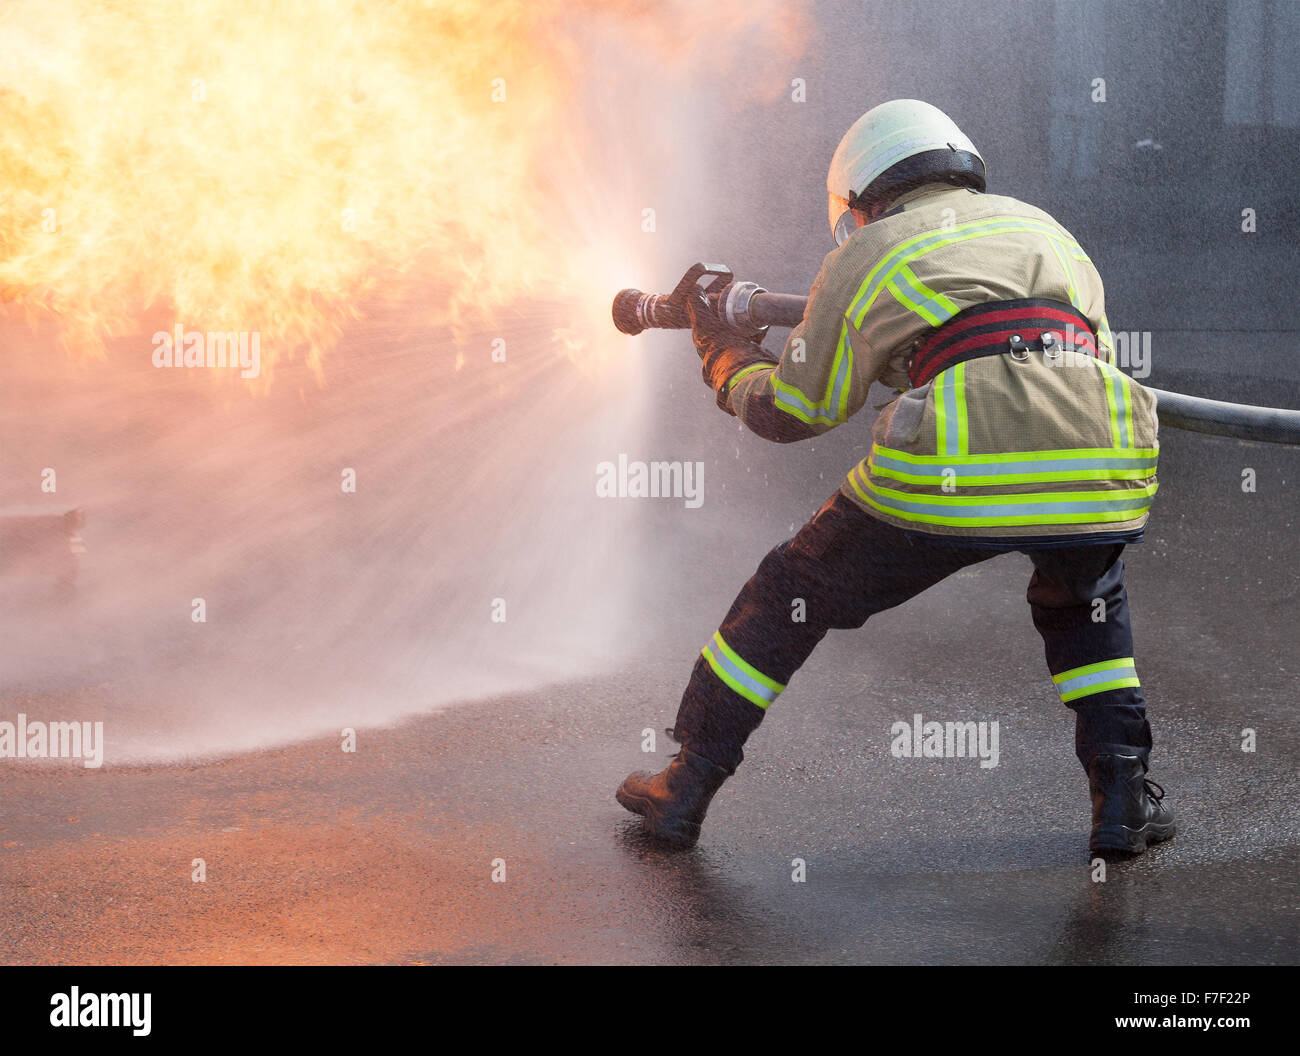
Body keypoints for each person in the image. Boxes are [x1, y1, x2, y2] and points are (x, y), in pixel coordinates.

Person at [616, 99, 1175, 856]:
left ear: (861, 195)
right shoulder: (1047, 231)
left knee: (791, 593)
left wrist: (722, 355)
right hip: (1104, 457)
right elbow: (1077, 360)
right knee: (1086, 603)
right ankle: (1122, 804)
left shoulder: (868, 252)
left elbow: (793, 409)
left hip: (958, 461)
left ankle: (684, 786)